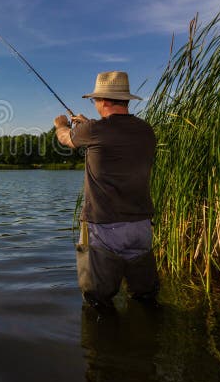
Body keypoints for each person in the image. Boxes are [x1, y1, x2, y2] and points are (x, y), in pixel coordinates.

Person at [54, 71, 159, 310]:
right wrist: (87, 125)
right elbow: (112, 135)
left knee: (97, 301)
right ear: (125, 99)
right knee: (145, 298)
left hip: (103, 227)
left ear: (104, 101)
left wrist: (61, 124)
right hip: (140, 226)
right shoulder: (146, 131)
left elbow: (66, 139)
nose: (96, 104)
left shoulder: (93, 131)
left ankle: (102, 344)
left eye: (95, 100)